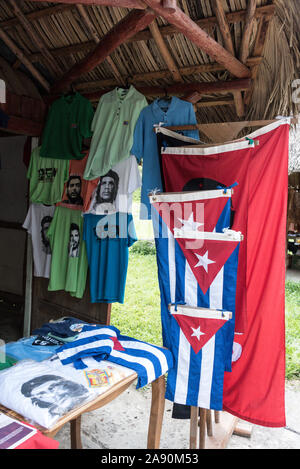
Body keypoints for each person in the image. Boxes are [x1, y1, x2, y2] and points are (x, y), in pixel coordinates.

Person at [21, 374, 90, 417]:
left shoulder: (81, 393)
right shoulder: (47, 413)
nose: (50, 393)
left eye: (52, 387)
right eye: (42, 393)